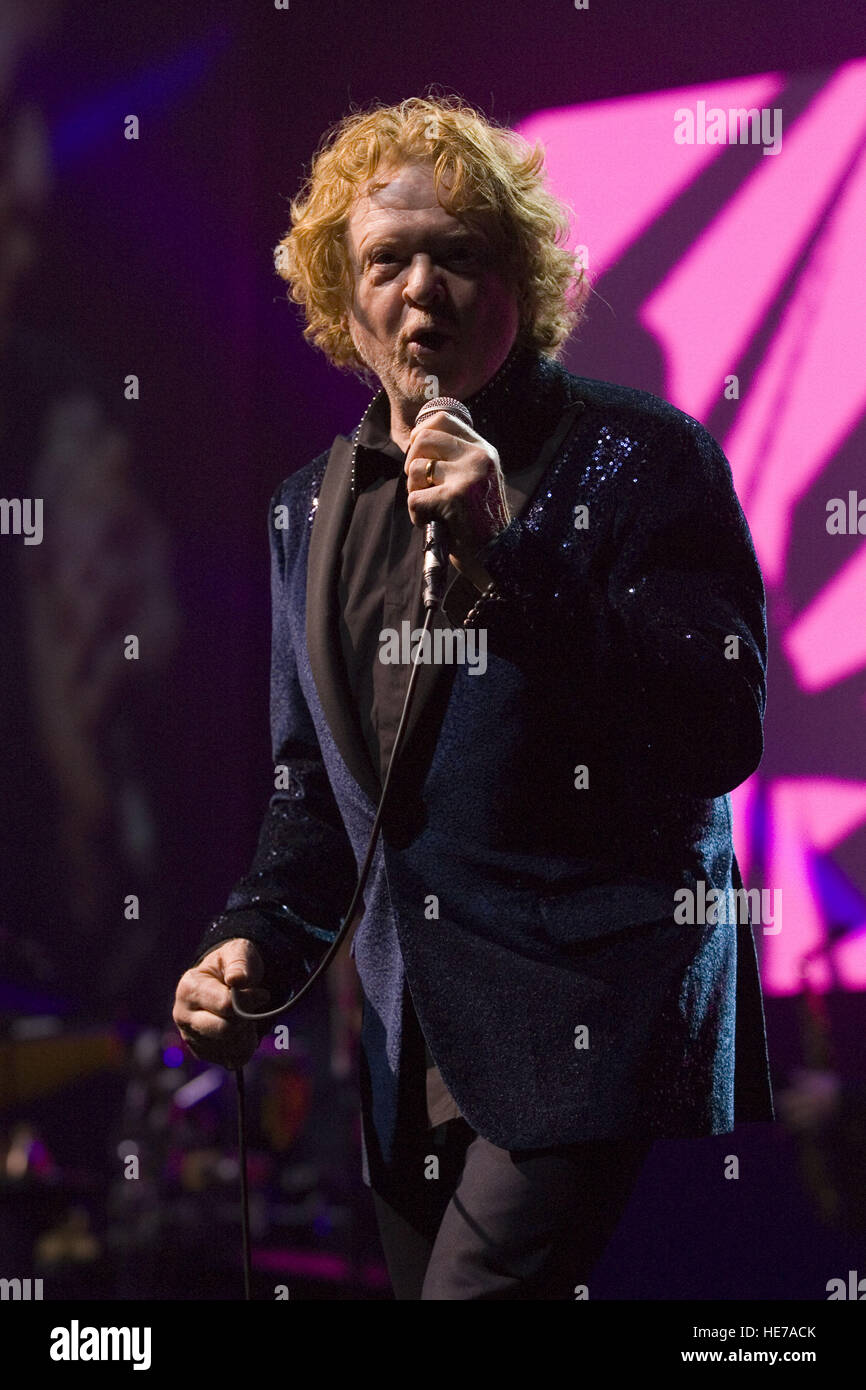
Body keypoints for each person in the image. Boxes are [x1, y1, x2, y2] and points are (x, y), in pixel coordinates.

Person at [172, 94, 774, 1300]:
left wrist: (516, 564)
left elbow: (716, 728)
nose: (421, 289)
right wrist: (246, 943)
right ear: (342, 296)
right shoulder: (309, 508)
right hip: (410, 1048)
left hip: (589, 1021)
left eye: (459, 255)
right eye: (386, 259)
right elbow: (315, 800)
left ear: (522, 281)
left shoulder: (641, 458)